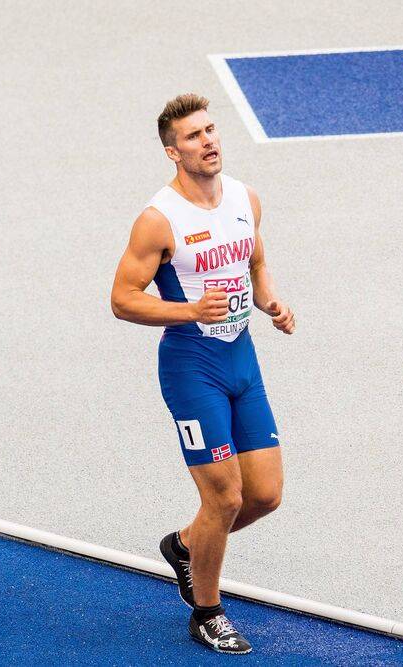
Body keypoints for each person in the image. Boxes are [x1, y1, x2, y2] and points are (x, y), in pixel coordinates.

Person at [110, 93, 295, 654]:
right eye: (193, 136)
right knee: (225, 498)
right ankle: (207, 612)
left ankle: (186, 546)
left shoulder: (245, 198)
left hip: (242, 358)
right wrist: (190, 309)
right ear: (173, 152)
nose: (208, 141)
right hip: (192, 367)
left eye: (211, 130)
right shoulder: (158, 219)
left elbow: (253, 256)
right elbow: (121, 299)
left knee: (264, 495)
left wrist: (269, 300)